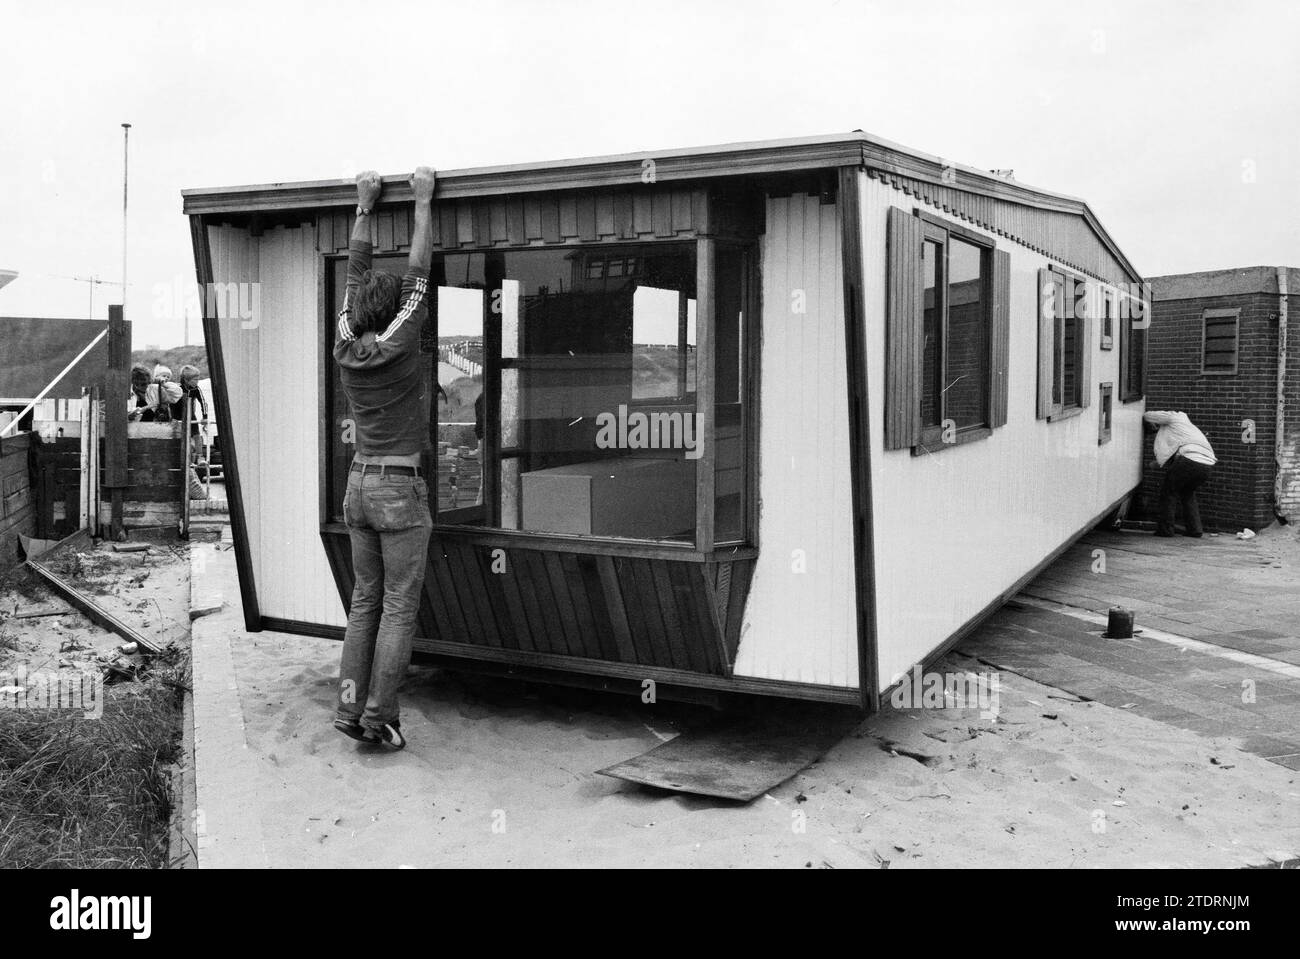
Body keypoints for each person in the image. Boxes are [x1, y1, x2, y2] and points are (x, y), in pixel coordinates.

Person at [331, 166, 437, 750]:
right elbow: (418, 270)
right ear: (395, 312)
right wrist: (423, 199)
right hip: (398, 488)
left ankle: (349, 712)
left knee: (365, 602)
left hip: (358, 485)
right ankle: (378, 718)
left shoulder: (346, 340)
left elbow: (355, 274)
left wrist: (364, 206)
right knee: (398, 606)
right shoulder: (400, 340)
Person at [1144, 410, 1217, 538]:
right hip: (1207, 465)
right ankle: (1195, 529)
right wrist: (1156, 463)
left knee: (1168, 492)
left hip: (1189, 459)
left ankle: (1165, 530)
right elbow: (1174, 456)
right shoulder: (1190, 430)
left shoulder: (1175, 417)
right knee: (1188, 494)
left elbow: (1147, 415)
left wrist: (1149, 420)